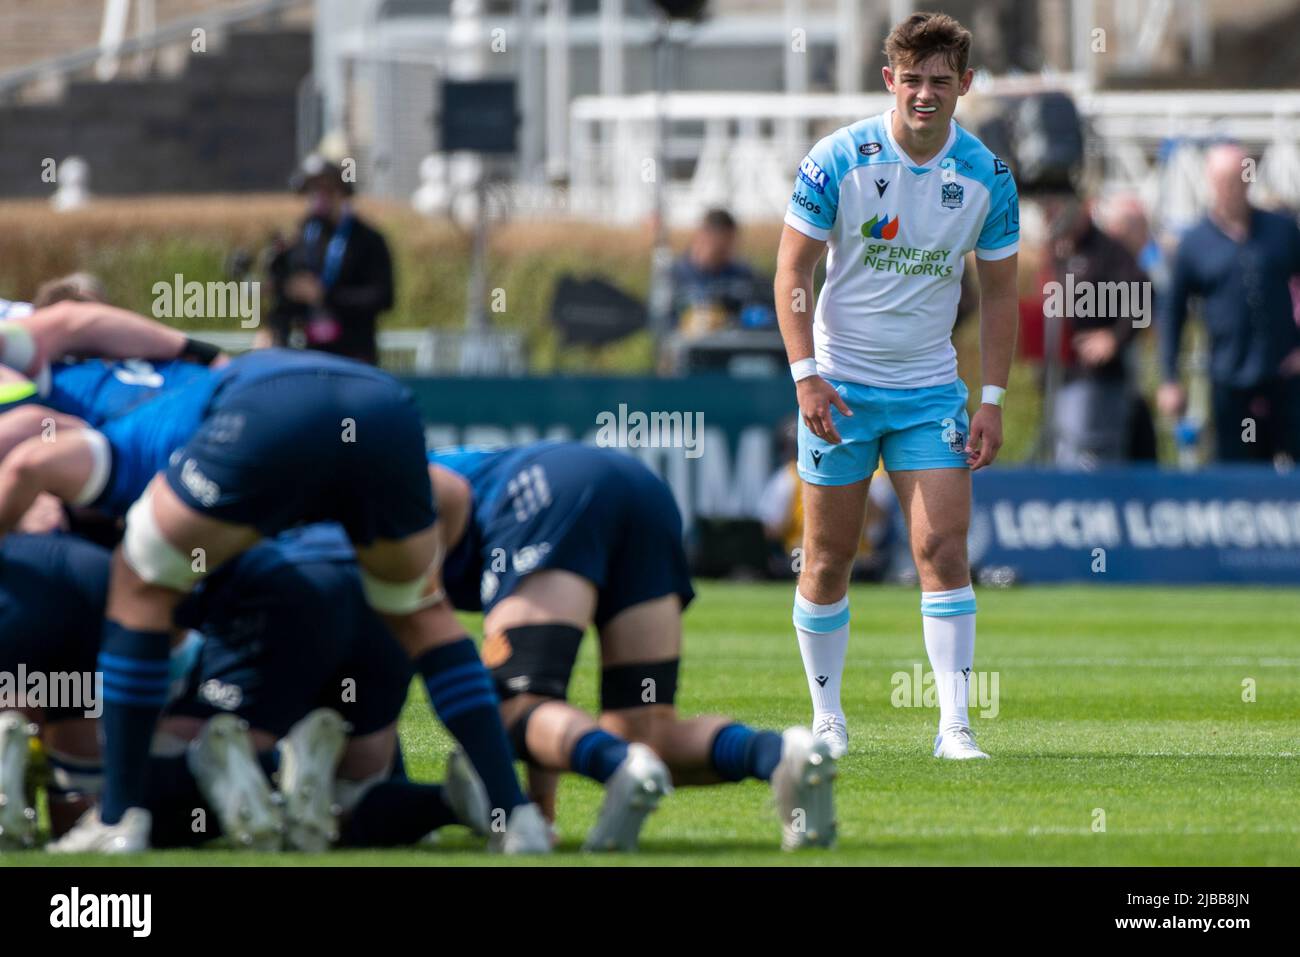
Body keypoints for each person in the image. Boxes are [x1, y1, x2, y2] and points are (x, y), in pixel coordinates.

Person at [37, 349, 547, 854]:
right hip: (383, 401)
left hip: (275, 476)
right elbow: (449, 491)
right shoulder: (198, 388)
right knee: (420, 611)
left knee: (139, 582)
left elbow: (30, 466)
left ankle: (119, 818)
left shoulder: (122, 436)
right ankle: (514, 813)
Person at [773, 12, 1019, 760]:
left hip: (928, 390)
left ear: (964, 86)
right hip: (840, 388)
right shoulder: (837, 158)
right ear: (890, 80)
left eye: (940, 81)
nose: (924, 93)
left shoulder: (987, 177)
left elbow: (1003, 297)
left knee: (943, 546)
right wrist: (805, 376)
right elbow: (792, 271)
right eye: (911, 79)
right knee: (827, 557)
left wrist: (993, 399)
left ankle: (955, 727)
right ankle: (827, 719)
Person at [429, 441, 838, 851]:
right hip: (639, 487)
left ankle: (620, 766)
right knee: (646, 734)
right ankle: (781, 755)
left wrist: (532, 809)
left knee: (507, 709)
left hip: (551, 490)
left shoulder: (383, 490)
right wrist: (540, 806)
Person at [1158, 142, 1300, 463]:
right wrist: (1169, 379)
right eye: (1223, 181)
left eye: (1237, 180)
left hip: (1285, 378)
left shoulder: (1281, 231)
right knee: (1241, 467)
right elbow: (1173, 313)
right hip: (1231, 382)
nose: (1231, 190)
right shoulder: (1195, 244)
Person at [1035, 188, 1150, 468]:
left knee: (1089, 458)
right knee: (1063, 453)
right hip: (1060, 376)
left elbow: (1143, 296)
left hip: (1096, 380)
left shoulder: (1107, 251)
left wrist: (1114, 338)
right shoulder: (1056, 251)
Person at [267, 154, 394, 365]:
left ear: (342, 192)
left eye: (326, 189)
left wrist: (326, 295)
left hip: (354, 356)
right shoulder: (299, 238)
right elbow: (284, 301)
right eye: (312, 190)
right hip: (307, 356)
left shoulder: (366, 240)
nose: (319, 197)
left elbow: (383, 297)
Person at [671, 208, 764, 335]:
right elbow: (662, 326)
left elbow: (760, 310)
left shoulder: (743, 275)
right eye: (722, 245)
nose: (729, 251)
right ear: (703, 236)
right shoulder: (674, 276)